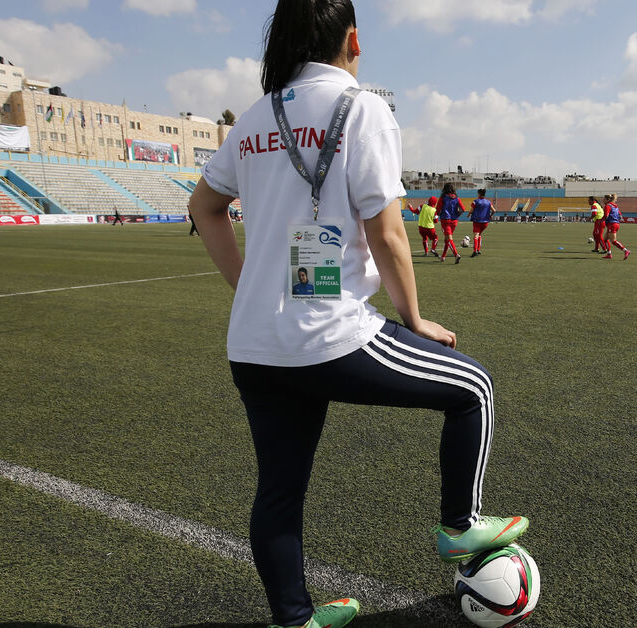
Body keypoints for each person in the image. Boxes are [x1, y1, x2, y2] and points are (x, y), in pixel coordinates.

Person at [186, 3, 528, 626]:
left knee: (279, 492)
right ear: (353, 40)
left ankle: (294, 618)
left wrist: (247, 288)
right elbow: (388, 233)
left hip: (255, 346)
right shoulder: (364, 109)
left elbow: (203, 206)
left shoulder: (256, 118)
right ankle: (460, 526)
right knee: (473, 387)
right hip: (330, 335)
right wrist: (414, 318)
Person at [437, 182, 466, 264]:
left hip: (445, 221)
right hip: (454, 221)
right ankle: (443, 257)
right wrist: (457, 214)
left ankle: (456, 255)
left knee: (449, 239)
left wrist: (437, 215)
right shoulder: (457, 198)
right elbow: (463, 209)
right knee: (447, 239)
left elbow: (438, 210)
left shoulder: (443, 198)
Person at [602, 193, 630, 260]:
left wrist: (601, 220)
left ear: (608, 199)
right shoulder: (615, 206)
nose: (603, 200)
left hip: (612, 224)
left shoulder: (607, 206)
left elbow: (606, 215)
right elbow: (620, 215)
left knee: (613, 241)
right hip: (615, 224)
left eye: (604, 199)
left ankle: (626, 251)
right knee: (605, 239)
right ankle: (609, 254)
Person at [469, 189, 494, 257]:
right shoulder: (488, 202)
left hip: (477, 221)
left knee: (475, 236)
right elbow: (494, 210)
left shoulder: (475, 201)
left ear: (479, 194)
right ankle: (478, 249)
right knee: (479, 234)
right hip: (485, 222)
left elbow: (471, 210)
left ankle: (475, 251)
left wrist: (469, 214)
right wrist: (490, 216)